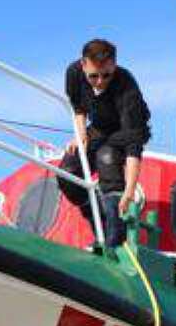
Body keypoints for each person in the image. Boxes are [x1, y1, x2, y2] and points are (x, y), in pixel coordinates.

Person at [58, 38, 151, 247]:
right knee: (67, 171)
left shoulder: (127, 88)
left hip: (125, 129)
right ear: (83, 65)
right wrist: (81, 134)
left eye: (106, 75)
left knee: (106, 159)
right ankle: (98, 219)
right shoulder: (73, 73)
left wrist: (129, 190)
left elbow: (133, 144)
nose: (100, 82)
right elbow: (78, 106)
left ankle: (115, 240)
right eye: (93, 76)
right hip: (98, 127)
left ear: (114, 66)